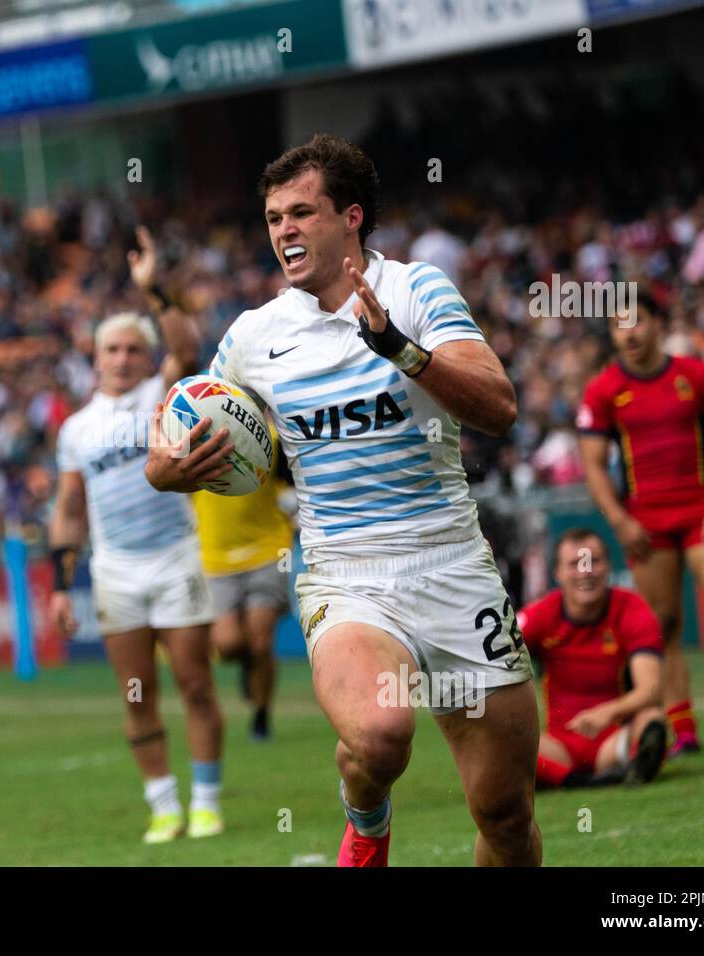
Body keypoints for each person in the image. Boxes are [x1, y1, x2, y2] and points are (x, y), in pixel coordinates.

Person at [145, 134, 540, 867]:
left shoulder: (418, 291)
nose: (284, 231)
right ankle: (367, 818)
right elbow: (177, 430)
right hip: (346, 572)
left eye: (301, 212)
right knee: (383, 730)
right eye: (273, 218)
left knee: (506, 813)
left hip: (453, 563)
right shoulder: (254, 337)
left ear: (351, 217)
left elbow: (499, 407)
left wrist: (401, 350)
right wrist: (167, 470)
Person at [48, 227, 227, 844]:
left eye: (133, 349)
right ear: (95, 358)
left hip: (176, 557)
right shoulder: (75, 429)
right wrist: (60, 584)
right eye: (113, 349)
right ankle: (163, 806)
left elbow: (187, 344)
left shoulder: (166, 395)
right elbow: (70, 509)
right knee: (136, 693)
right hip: (116, 571)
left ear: (146, 359)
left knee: (195, 682)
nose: (123, 358)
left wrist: (155, 288)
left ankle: (206, 800)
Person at [577, 294, 704, 755]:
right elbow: (592, 465)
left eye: (636, 322)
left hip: (702, 511)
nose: (627, 333)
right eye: (617, 326)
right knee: (664, 623)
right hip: (646, 524)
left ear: (658, 324)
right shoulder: (603, 390)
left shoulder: (698, 376)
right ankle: (684, 730)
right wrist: (620, 520)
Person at [517, 528, 668, 788]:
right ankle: (577, 781)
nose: (585, 571)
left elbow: (651, 690)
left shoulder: (633, 609)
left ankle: (627, 766)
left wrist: (607, 713)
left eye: (594, 561)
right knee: (505, 742)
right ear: (558, 573)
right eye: (574, 564)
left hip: (613, 740)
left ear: (608, 567)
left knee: (653, 721)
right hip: (559, 746)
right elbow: (493, 657)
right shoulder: (540, 614)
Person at [192, 443, 295, 740]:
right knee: (226, 646)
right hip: (215, 555)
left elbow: (292, 482)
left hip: (267, 549)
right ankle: (250, 665)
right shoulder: (194, 437)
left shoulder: (272, 437)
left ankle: (261, 716)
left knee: (261, 640)